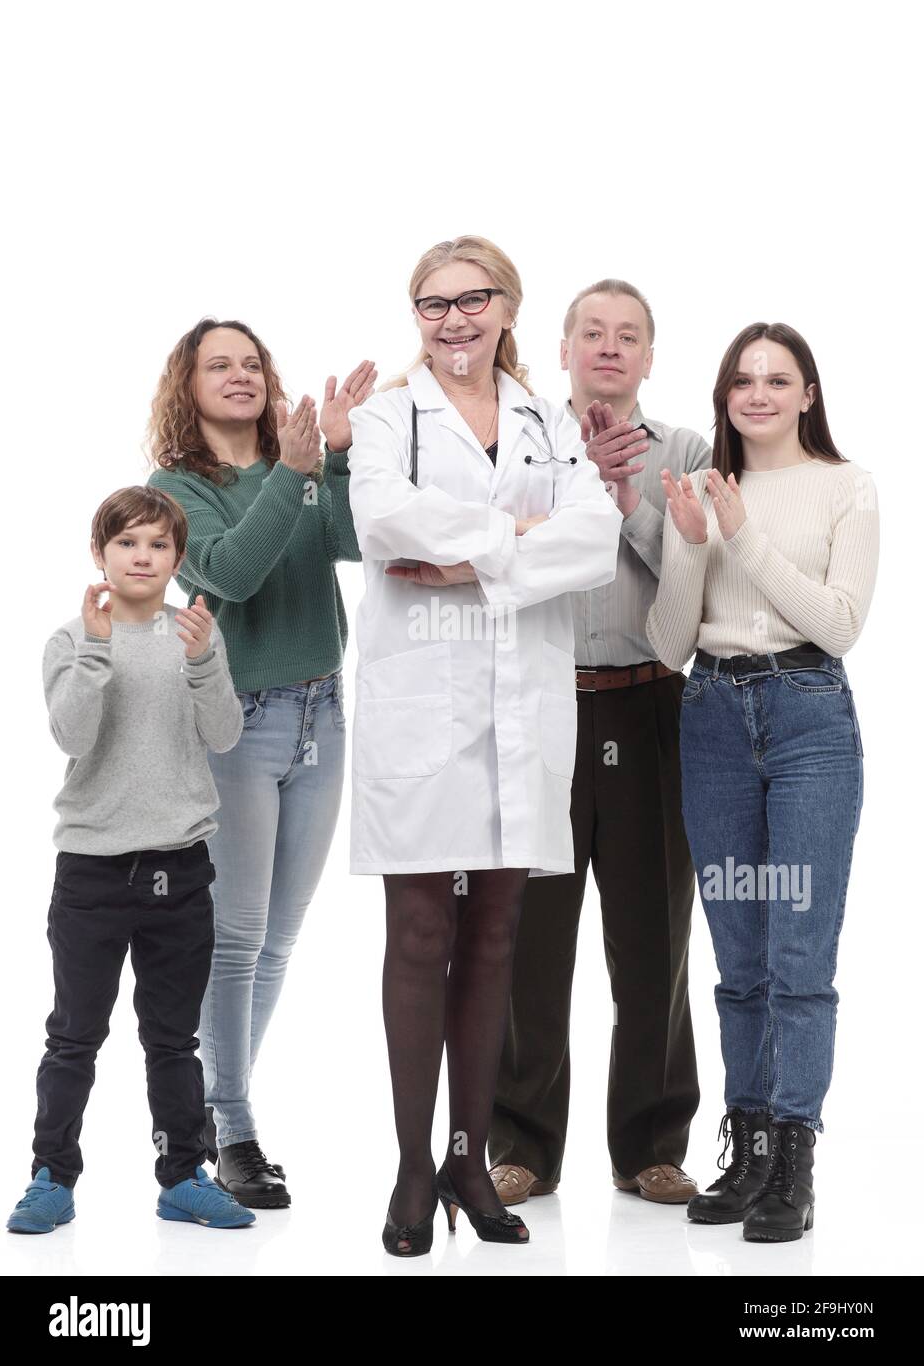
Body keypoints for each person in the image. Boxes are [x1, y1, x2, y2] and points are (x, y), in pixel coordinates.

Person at [345, 235, 621, 1255]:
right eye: (432, 304)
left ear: (508, 305)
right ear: (415, 315)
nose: (453, 320)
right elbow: (380, 519)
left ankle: (473, 1155)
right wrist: (520, 539)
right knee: (420, 934)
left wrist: (469, 564)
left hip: (524, 707)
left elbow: (594, 538)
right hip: (423, 705)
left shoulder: (552, 420)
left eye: (472, 300)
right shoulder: (387, 416)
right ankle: (415, 1167)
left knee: (497, 936)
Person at [647, 322, 879, 1242]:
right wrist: (692, 542)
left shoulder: (845, 488)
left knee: (798, 959)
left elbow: (837, 623)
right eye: (742, 379)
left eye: (777, 379)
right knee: (737, 959)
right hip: (710, 720)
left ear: (806, 394)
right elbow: (669, 643)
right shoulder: (703, 489)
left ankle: (793, 1155)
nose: (757, 394)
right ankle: (743, 1148)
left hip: (807, 720)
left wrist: (740, 541)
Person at [489, 279, 710, 1207]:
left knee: (652, 935)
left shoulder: (689, 452)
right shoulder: (519, 438)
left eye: (628, 336)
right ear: (566, 346)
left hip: (648, 703)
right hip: (541, 702)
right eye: (592, 333)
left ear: (649, 358)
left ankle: (650, 1146)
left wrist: (625, 497)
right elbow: (497, 560)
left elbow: (695, 586)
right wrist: (573, 490)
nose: (609, 348)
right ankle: (523, 1148)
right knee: (529, 938)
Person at [147, 318, 374, 1208]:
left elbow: (353, 546)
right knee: (235, 937)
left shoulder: (303, 467)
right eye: (219, 365)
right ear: (188, 385)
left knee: (280, 933)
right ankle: (233, 1128)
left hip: (324, 710)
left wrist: (340, 459)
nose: (240, 376)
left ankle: (208, 1111)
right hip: (237, 723)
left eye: (252, 363)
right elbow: (233, 576)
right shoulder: (173, 489)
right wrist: (294, 469)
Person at [7, 487, 253, 1233]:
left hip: (180, 869)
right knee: (74, 1033)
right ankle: (51, 1174)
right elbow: (73, 737)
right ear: (100, 554)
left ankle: (184, 1173)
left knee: (173, 1038)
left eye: (156, 545)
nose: (141, 556)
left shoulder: (195, 635)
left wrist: (204, 661)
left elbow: (225, 736)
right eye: (126, 543)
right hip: (92, 870)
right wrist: (95, 648)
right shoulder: (71, 638)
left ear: (177, 558)